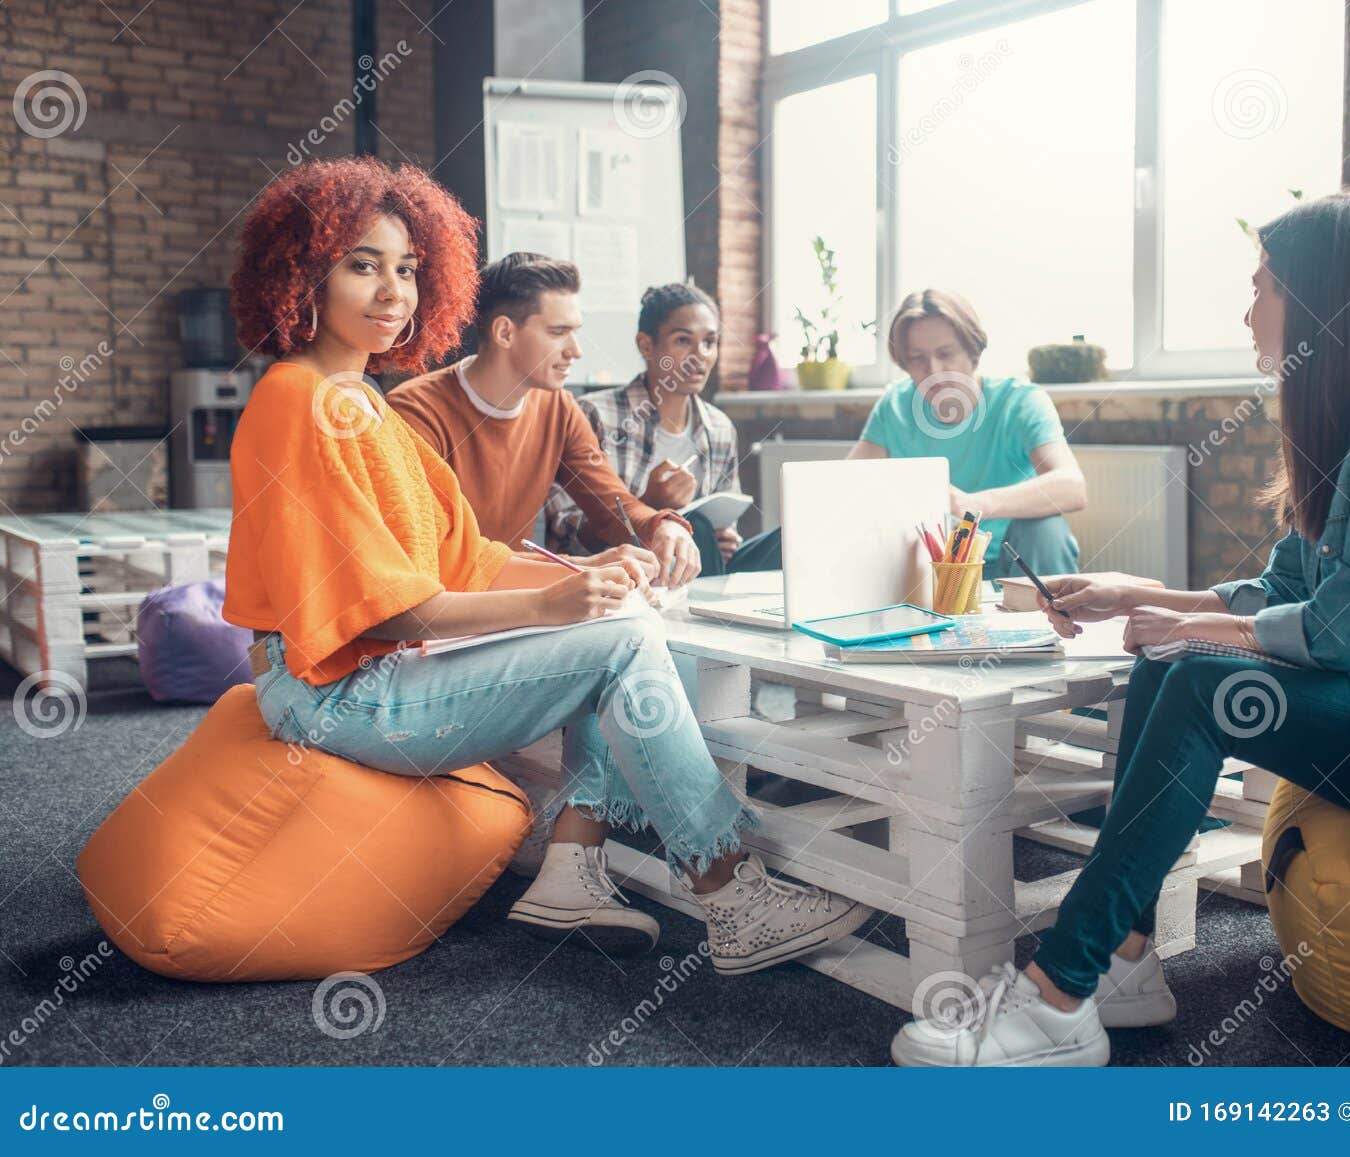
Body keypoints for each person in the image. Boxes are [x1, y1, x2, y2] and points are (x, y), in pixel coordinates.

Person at [891, 190, 1350, 1067]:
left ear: (1321, 299)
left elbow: (1342, 634)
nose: (1247, 306)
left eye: (1262, 285)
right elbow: (1281, 590)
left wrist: (1182, 630)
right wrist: (1132, 594)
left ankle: (1055, 1000)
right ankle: (1125, 961)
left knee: (1195, 680)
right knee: (1174, 665)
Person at [223, 158, 868, 973]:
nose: (393, 291)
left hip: (360, 677)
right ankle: (732, 892)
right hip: (333, 692)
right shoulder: (307, 401)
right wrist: (551, 606)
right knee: (620, 643)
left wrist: (595, 579)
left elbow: (470, 555)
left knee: (622, 621)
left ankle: (596, 869)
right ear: (301, 274)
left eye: (409, 270)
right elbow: (386, 609)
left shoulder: (358, 402)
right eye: (362, 264)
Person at [387, 253, 702, 587]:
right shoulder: (415, 413)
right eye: (558, 332)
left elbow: (612, 506)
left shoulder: (559, 408)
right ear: (505, 332)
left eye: (575, 331)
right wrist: (582, 567)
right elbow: (443, 557)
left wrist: (663, 526)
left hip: (524, 607)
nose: (576, 350)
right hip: (447, 618)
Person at [544, 282, 781, 575]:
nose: (700, 355)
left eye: (710, 342)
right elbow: (567, 535)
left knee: (789, 539)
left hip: (702, 568)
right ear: (646, 345)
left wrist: (727, 540)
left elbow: (726, 526)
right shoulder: (594, 414)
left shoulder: (719, 428)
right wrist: (650, 506)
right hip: (625, 572)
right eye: (683, 341)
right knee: (699, 529)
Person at [849, 289, 1086, 580]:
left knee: (1045, 529)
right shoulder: (895, 404)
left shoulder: (1019, 401)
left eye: (945, 354)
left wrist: (973, 506)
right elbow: (847, 484)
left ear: (973, 351)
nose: (934, 370)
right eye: (917, 358)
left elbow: (1072, 487)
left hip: (1008, 566)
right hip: (924, 569)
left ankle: (1050, 622)